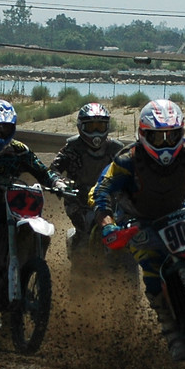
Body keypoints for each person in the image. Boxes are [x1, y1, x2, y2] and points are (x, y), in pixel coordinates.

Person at [90, 99, 185, 360]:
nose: (165, 143)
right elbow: (100, 192)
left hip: (178, 215)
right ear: (143, 134)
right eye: (157, 137)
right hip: (138, 222)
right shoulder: (126, 160)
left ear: (180, 132)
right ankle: (171, 330)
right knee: (151, 268)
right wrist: (108, 226)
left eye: (170, 135)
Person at [0, 99, 66, 297]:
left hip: (12, 205)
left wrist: (57, 183)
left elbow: (42, 171)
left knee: (33, 230)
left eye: (5, 129)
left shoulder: (19, 150)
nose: (0, 134)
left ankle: (30, 272)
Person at [50, 101, 124, 259]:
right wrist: (59, 182)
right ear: (81, 127)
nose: (96, 131)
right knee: (84, 234)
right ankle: (78, 268)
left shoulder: (116, 148)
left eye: (100, 126)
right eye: (91, 127)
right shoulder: (72, 148)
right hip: (78, 200)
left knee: (127, 231)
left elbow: (132, 170)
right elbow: (53, 169)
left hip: (111, 200)